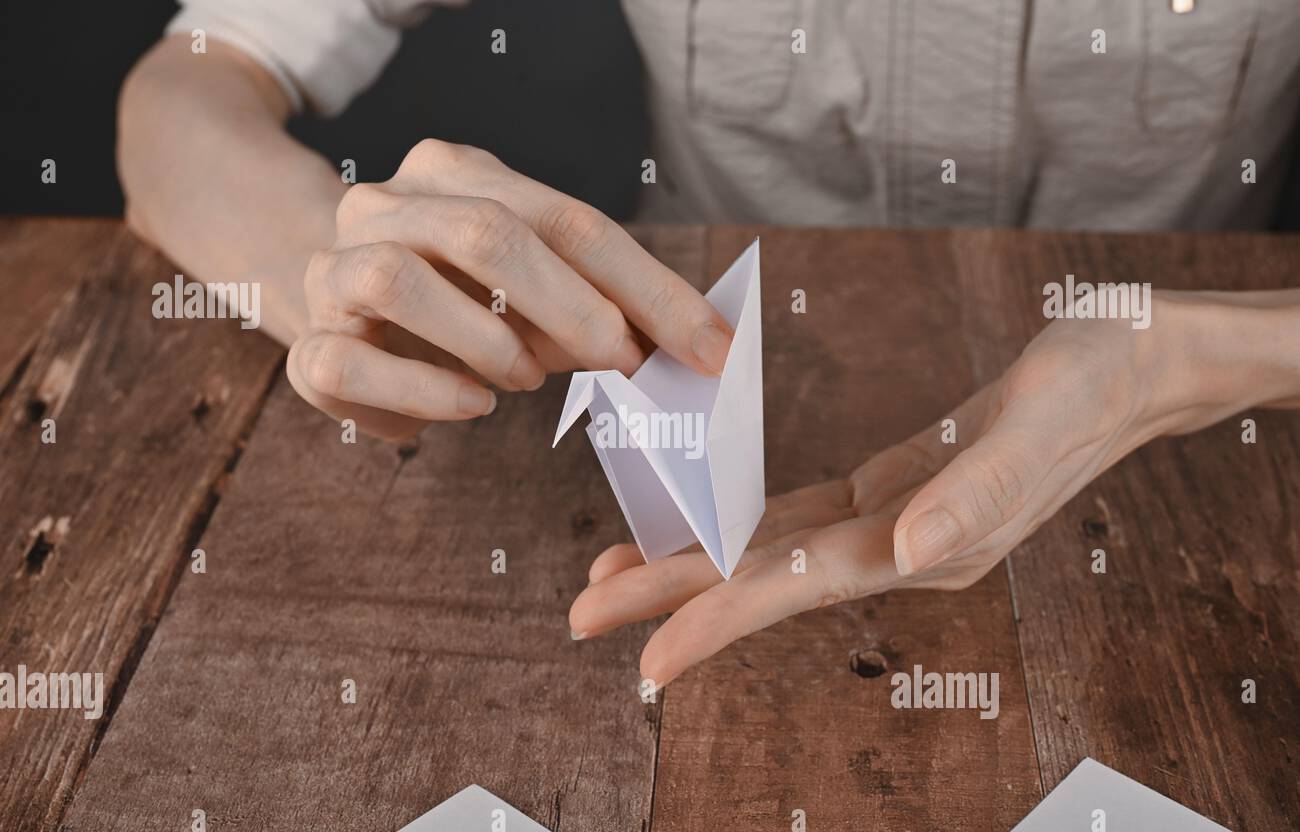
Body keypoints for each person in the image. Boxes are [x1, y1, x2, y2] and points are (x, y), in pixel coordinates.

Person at [118, 1, 1300, 690]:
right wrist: (342, 275)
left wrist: (1193, 357)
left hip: (1213, 507)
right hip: (693, 370)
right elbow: (186, 92)